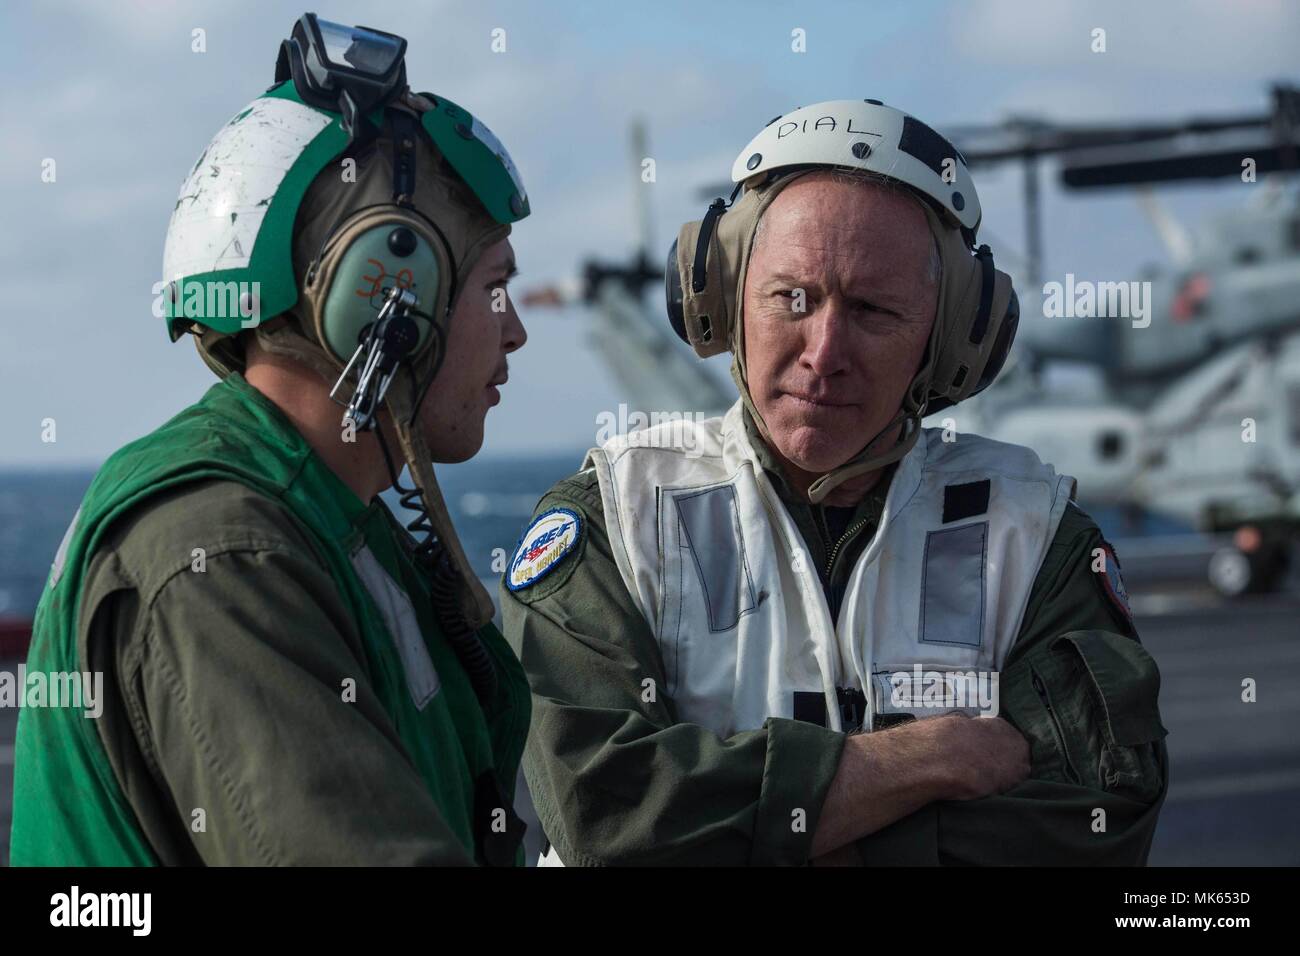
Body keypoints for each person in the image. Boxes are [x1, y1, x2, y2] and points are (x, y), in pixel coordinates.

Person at [501, 99, 1168, 866]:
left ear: (952, 336)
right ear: (718, 301)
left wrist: (759, 830)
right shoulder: (615, 522)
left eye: (873, 310)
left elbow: (1094, 824)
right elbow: (606, 817)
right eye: (793, 297)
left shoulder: (1034, 536)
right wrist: (922, 761)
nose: (825, 351)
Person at [12, 14, 532, 866]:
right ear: (384, 294)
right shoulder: (222, 554)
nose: (514, 336)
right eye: (495, 287)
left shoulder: (328, 514)